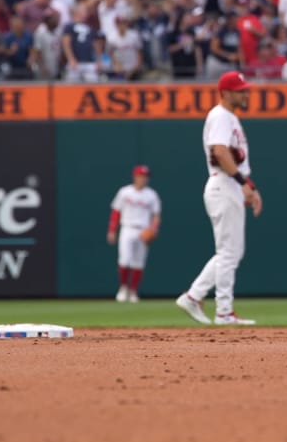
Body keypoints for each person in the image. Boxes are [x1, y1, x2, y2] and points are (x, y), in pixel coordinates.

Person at [176, 71, 263, 326]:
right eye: (240, 90)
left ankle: (196, 297)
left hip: (229, 186)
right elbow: (219, 151)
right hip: (223, 185)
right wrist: (241, 183)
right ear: (225, 93)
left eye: (246, 89)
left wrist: (247, 186)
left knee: (231, 252)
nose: (246, 93)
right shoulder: (220, 115)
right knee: (228, 252)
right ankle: (221, 309)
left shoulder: (229, 117)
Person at [107, 165, 161, 303]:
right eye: (140, 176)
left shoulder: (151, 195)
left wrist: (153, 229)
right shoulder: (125, 192)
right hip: (127, 228)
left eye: (145, 177)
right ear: (135, 177)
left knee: (139, 263)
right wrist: (112, 230)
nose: (143, 179)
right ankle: (123, 287)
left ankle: (133, 291)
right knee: (124, 260)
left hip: (143, 230)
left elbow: (156, 216)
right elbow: (116, 211)